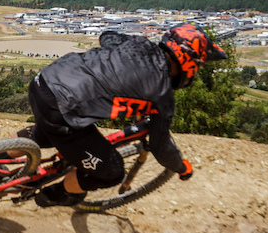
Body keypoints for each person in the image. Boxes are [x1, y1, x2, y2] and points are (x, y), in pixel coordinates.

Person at [17, 22, 227, 207]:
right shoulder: (162, 94)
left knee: (43, 134)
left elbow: (106, 36)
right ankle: (52, 196)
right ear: (189, 63)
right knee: (113, 172)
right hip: (63, 109)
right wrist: (181, 167)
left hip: (45, 82)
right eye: (198, 67)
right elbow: (160, 146)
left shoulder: (140, 44)